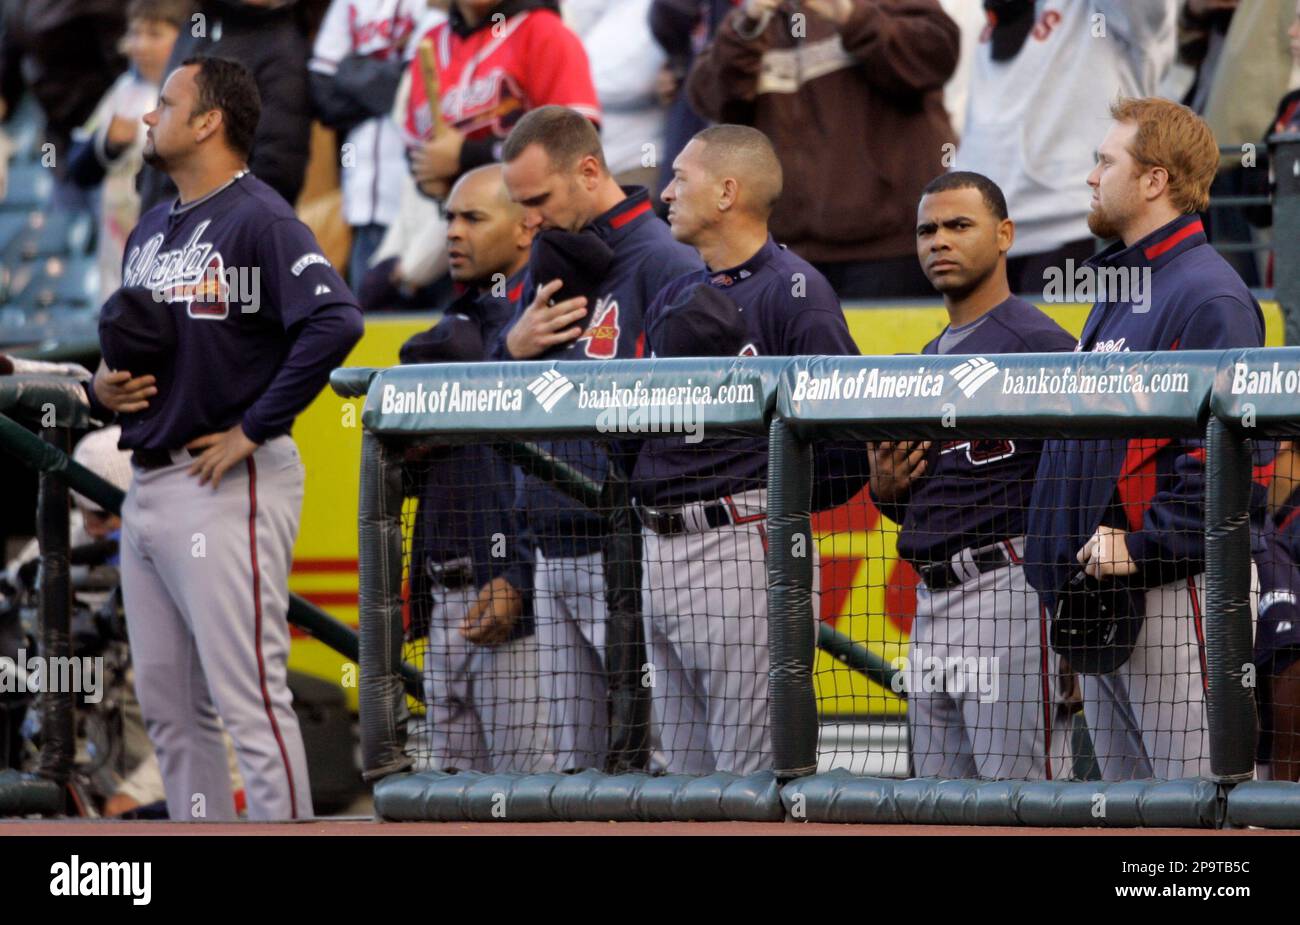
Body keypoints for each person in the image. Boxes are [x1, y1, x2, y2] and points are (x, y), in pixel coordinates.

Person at [87, 56, 364, 820]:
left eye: (166, 104)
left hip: (225, 479)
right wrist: (103, 385)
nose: (148, 116)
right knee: (172, 711)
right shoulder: (153, 224)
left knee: (249, 698)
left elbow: (335, 319)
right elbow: (138, 346)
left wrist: (255, 426)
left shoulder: (260, 216)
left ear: (209, 121)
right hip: (149, 477)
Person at [1025, 97, 1265, 781]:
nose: (1092, 176)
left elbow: (1224, 456)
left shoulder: (1208, 293)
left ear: (1154, 179)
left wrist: (1140, 546)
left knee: (1197, 809)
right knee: (1132, 817)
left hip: (1172, 585)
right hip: (1108, 593)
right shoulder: (1122, 284)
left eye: (1105, 161)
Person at [632, 124, 859, 774]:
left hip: (741, 539)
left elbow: (842, 444)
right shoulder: (675, 293)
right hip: (660, 542)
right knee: (684, 783)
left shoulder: (797, 291)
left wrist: (769, 501)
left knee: (749, 780)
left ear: (728, 191)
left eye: (682, 177)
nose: (666, 191)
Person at [498, 105, 702, 770]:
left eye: (538, 199)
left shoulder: (665, 261)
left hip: (627, 551)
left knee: (647, 766)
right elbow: (501, 405)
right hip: (551, 547)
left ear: (589, 171)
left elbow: (688, 418)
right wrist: (510, 349)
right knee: (575, 775)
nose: (527, 219)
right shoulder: (551, 261)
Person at [868, 171, 1076, 780]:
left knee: (1020, 805)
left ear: (1005, 234)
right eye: (927, 230)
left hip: (1013, 592)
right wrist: (887, 495)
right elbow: (941, 500)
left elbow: (1086, 492)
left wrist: (1069, 621)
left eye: (959, 226)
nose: (939, 241)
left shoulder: (1042, 345)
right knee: (937, 805)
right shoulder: (929, 358)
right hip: (931, 598)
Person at [402, 164, 554, 771]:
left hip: (516, 603)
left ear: (525, 229)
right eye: (449, 219)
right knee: (450, 806)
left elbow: (551, 474)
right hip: (447, 596)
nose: (454, 233)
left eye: (473, 217)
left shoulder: (547, 320)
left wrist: (518, 576)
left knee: (531, 804)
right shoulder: (463, 318)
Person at [685, 0, 959, 299]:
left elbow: (935, 58)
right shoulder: (755, 18)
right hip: (788, 255)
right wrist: (748, 26)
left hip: (889, 251)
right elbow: (712, 102)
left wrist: (850, 15)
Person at [955, 1, 1178, 295]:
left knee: (1072, 342)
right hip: (992, 237)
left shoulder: (1112, 13)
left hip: (1081, 229)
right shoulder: (991, 14)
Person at [402, 0, 600, 200]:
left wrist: (467, 155)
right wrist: (429, 176)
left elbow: (576, 138)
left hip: (533, 216)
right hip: (462, 215)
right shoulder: (431, 44)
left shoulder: (540, 29)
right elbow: (414, 150)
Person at [137, 0, 313, 211]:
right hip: (161, 221)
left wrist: (216, 228)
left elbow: (278, 169)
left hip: (215, 231)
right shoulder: (198, 23)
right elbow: (164, 126)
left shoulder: (282, 47)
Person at [67, 0, 188, 301]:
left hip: (172, 253)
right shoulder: (124, 90)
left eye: (154, 34)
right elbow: (78, 167)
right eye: (134, 33)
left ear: (184, 35)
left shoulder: (194, 94)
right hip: (118, 255)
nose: (140, 45)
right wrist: (107, 143)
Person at [308, 0, 424, 287]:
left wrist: (349, 70)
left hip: (423, 203)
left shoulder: (432, 5)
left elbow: (421, 85)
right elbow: (322, 93)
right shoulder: (347, 4)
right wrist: (389, 85)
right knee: (372, 325)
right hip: (363, 206)